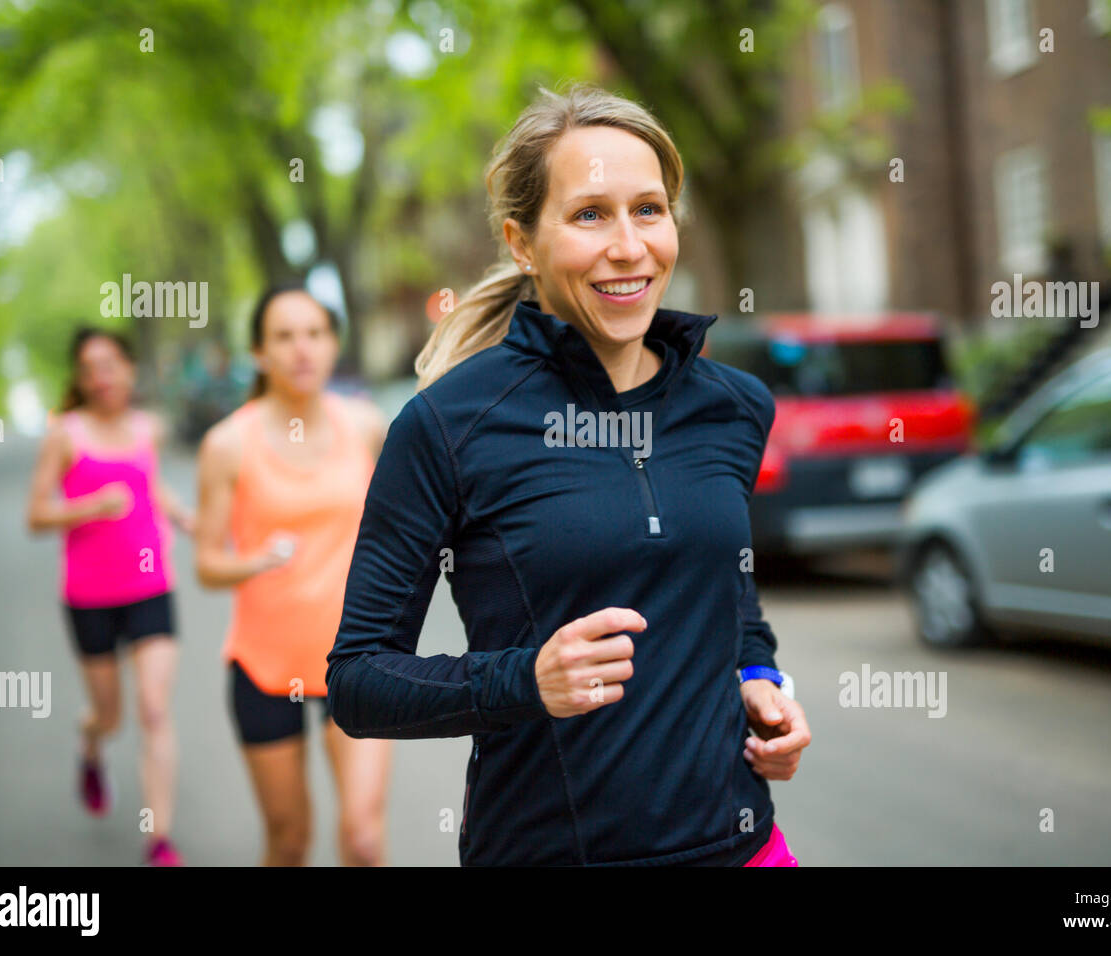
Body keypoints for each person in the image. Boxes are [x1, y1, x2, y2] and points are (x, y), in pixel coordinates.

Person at [327, 83, 809, 866]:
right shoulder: (449, 427)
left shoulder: (734, 407)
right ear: (523, 242)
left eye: (648, 210)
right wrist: (525, 680)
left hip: (743, 847)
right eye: (590, 215)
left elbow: (727, 589)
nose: (628, 246)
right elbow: (358, 680)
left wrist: (762, 680)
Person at [194, 284, 391, 866]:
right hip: (265, 665)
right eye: (284, 336)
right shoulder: (227, 443)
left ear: (333, 344)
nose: (302, 349)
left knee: (363, 838)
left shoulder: (365, 425)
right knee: (289, 840)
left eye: (315, 333)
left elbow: (406, 526)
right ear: (259, 352)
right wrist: (254, 561)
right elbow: (206, 563)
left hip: (360, 660)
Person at [26, 326, 193, 866]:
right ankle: (90, 744)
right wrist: (91, 506)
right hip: (89, 594)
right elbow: (36, 514)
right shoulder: (66, 435)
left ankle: (159, 840)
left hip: (150, 586)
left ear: (129, 370)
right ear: (80, 379)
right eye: (90, 368)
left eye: (111, 364)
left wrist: (183, 515)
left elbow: (149, 484)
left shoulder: (148, 428)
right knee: (111, 715)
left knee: (153, 707)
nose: (102, 377)